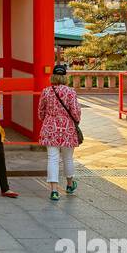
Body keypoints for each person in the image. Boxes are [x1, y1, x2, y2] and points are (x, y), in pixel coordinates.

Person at [38, 63, 82, 201]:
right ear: (65, 76)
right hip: (67, 128)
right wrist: (75, 121)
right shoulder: (70, 92)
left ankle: (54, 191)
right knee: (68, 158)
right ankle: (69, 185)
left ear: (53, 76)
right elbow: (75, 112)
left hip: (50, 127)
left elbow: (40, 111)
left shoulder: (46, 91)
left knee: (52, 158)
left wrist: (48, 120)